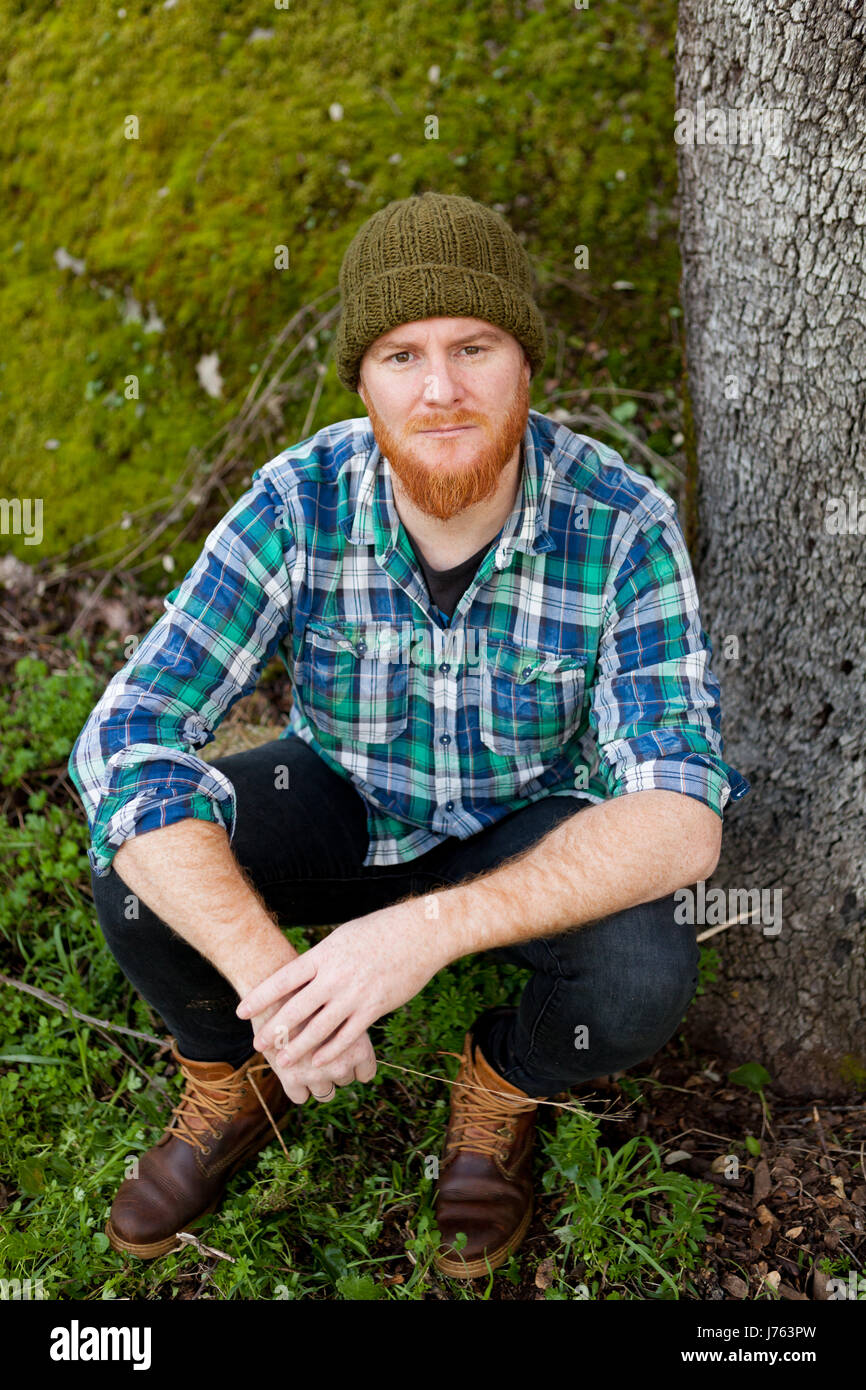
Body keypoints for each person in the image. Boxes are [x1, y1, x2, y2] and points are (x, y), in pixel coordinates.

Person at [68, 190, 750, 1280]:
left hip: (521, 822)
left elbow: (680, 813)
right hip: (340, 794)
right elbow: (127, 734)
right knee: (136, 867)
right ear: (361, 380)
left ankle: (501, 1080)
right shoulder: (299, 499)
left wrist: (422, 934)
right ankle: (233, 1071)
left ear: (525, 363)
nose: (439, 389)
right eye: (401, 355)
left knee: (639, 969)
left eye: (473, 346)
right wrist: (271, 981)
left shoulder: (619, 520)